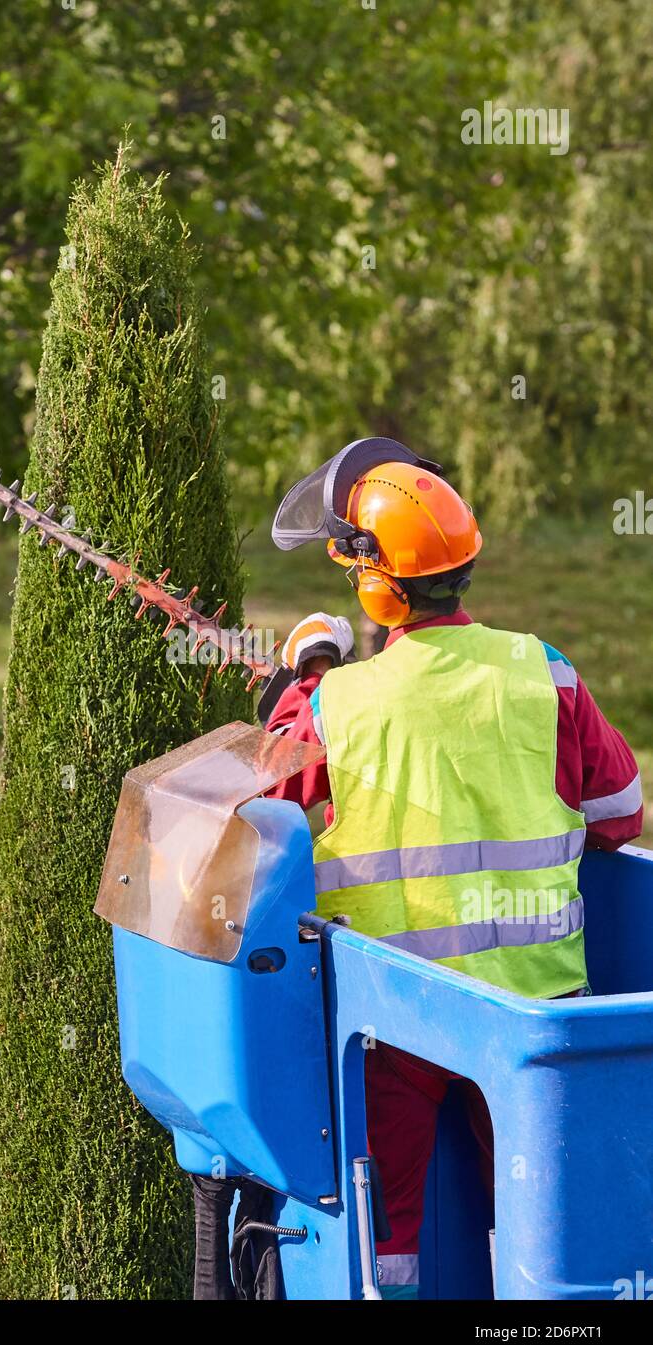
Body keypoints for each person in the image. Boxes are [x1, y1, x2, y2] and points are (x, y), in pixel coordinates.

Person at [265, 436, 643, 1299]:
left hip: (393, 1016)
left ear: (375, 582)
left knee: (384, 1227)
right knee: (540, 1222)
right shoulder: (544, 671)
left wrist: (300, 687)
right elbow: (621, 815)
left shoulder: (342, 700)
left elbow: (271, 804)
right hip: (538, 1011)